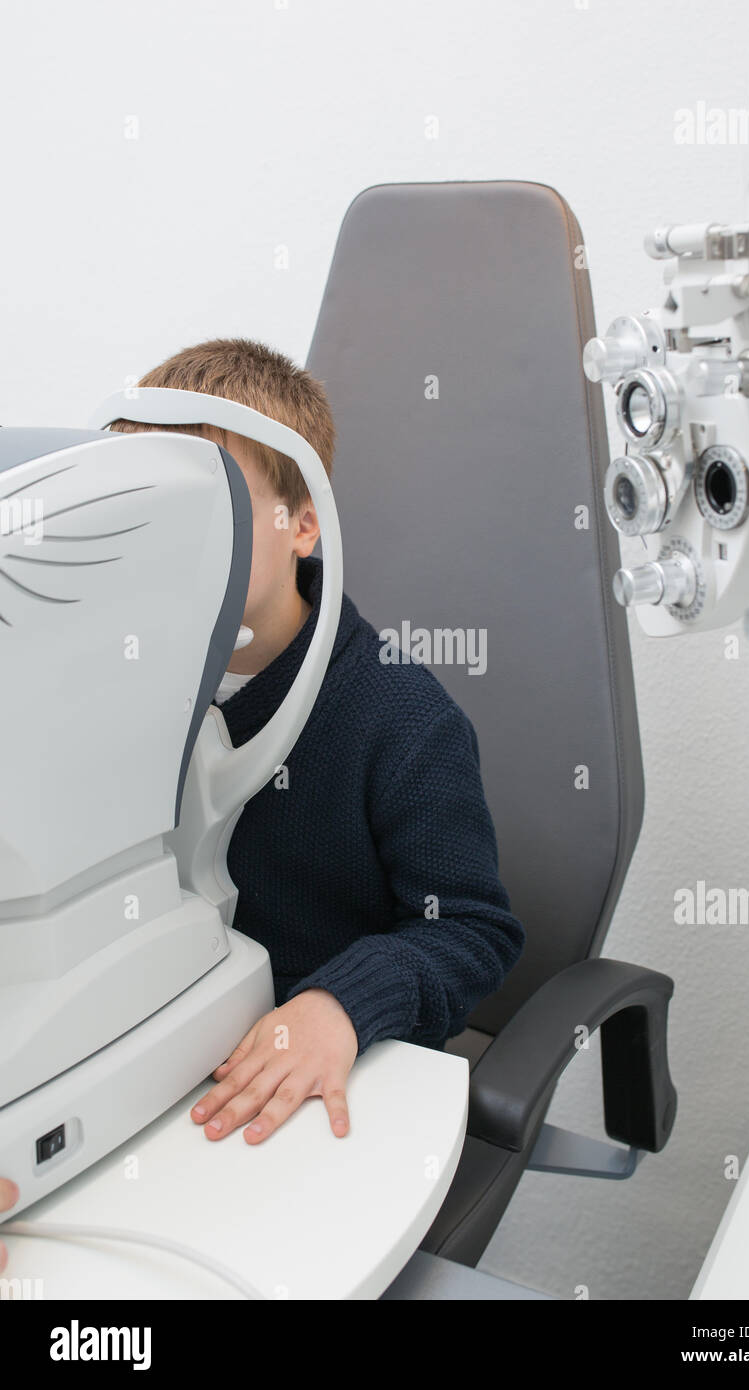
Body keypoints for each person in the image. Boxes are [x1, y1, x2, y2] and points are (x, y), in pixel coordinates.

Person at [107, 337, 525, 1148]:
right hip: (161, 1044)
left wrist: (342, 1005)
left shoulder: (401, 718)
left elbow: (472, 932)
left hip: (312, 1070)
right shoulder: (123, 677)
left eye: (211, 507)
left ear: (303, 526)